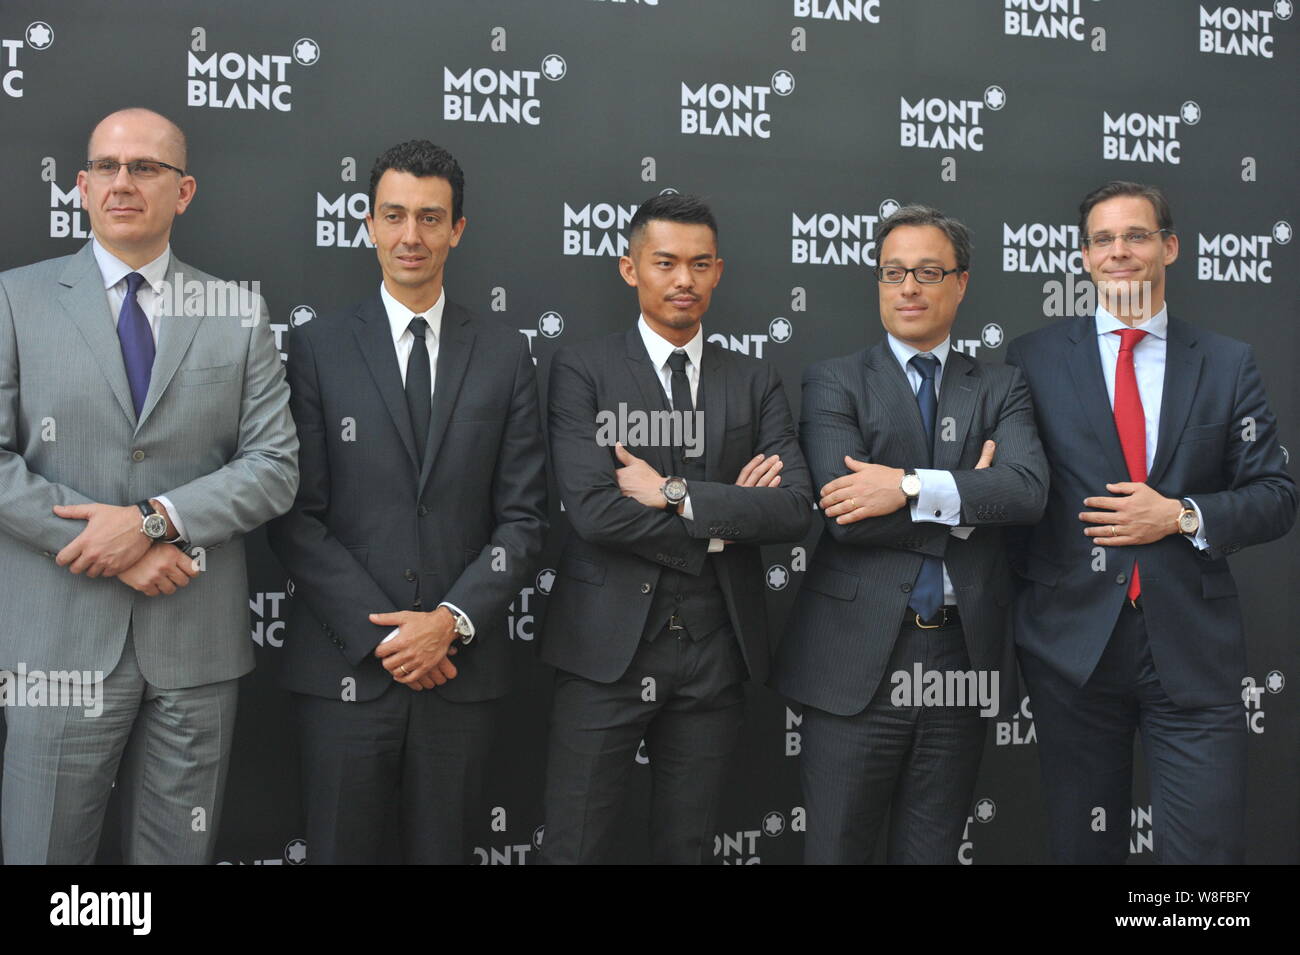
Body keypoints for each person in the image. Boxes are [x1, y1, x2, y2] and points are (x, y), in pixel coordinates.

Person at [0, 107, 299, 864]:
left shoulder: (237, 313)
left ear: (185, 189)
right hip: (57, 649)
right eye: (106, 166)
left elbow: (274, 466)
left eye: (145, 168)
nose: (123, 182)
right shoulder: (14, 300)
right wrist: (110, 543)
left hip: (193, 647)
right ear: (82, 185)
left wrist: (154, 519)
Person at [267, 140, 547, 864]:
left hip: (460, 675)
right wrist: (392, 637)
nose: (410, 236)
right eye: (394, 215)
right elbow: (296, 515)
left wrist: (449, 623)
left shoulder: (506, 353)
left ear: (457, 229)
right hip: (345, 672)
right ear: (368, 223)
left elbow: (523, 517)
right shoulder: (316, 347)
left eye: (430, 218)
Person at [1005, 180, 1297, 864]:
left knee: (1204, 858)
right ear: (1083, 257)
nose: (1120, 253)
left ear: (1169, 246)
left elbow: (1277, 494)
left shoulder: (1226, 363)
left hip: (1193, 652)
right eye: (1103, 240)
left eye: (1136, 236)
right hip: (1071, 652)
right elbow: (1017, 494)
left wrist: (1180, 514)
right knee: (1084, 848)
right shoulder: (1035, 358)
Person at [539, 193, 813, 863]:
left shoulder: (754, 381)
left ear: (718, 271)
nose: (683, 280)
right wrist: (725, 520)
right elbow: (595, 509)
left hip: (716, 654)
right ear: (630, 268)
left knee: (687, 848)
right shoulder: (583, 370)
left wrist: (675, 494)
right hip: (604, 652)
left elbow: (792, 508)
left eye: (699, 263)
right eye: (665, 262)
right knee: (573, 845)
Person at [773, 204, 1047, 864]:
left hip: (960, 656)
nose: (908, 288)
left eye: (928, 271)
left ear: (961, 282)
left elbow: (1026, 493)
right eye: (893, 272)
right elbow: (845, 513)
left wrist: (905, 486)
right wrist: (964, 494)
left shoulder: (1003, 384)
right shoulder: (835, 380)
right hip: (854, 659)